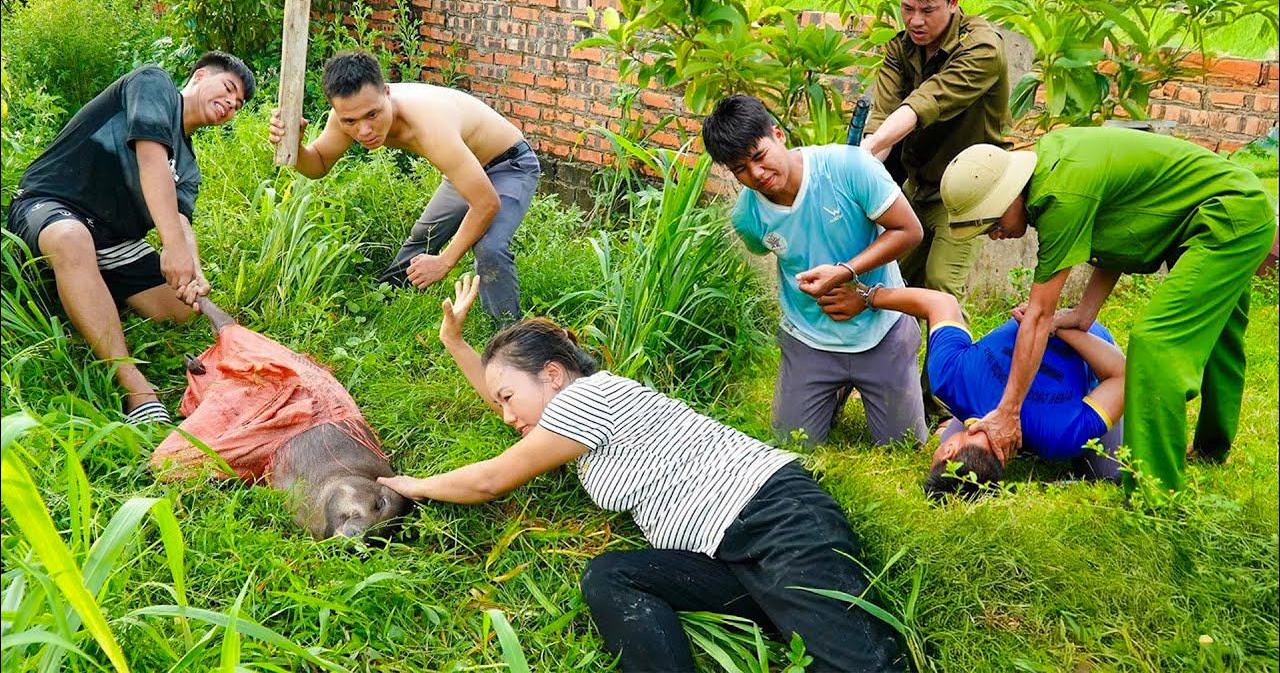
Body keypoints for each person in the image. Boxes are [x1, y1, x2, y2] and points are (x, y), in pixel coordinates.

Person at [377, 274, 906, 673]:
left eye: (511, 398)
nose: (508, 417)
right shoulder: (569, 417)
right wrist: (456, 344)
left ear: (555, 375)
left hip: (774, 519)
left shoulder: (589, 397)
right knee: (611, 576)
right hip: (734, 558)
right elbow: (511, 408)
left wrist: (413, 486)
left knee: (862, 666)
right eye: (501, 404)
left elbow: (492, 479)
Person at [939, 128, 1278, 496]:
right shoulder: (1052, 172)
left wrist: (1008, 411)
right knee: (1222, 339)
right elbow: (1115, 233)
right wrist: (1084, 316)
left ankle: (1155, 494)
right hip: (1229, 206)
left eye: (991, 223)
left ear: (1007, 195)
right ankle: (1212, 450)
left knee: (1156, 345)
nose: (994, 235)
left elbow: (1037, 315)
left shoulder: (1060, 196)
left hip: (1228, 216)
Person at [5, 52, 256, 424]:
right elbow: (151, 158)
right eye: (229, 89)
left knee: (180, 308)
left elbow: (181, 223)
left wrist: (193, 271)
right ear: (201, 75)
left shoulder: (188, 167)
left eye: (237, 105)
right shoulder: (155, 85)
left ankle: (87, 287)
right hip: (53, 206)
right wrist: (170, 247)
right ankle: (136, 389)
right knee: (73, 238)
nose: (230, 105)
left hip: (112, 238)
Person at [700, 94, 927, 448]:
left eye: (759, 157)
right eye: (739, 169)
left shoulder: (849, 167)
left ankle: (868, 377)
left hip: (879, 327)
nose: (756, 174)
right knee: (792, 445)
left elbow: (910, 231)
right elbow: (766, 248)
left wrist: (846, 272)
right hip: (809, 337)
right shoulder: (748, 217)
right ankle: (829, 387)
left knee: (903, 445)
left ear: (778, 135)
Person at [268, 51, 539, 321]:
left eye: (372, 115)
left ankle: (509, 336)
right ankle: (382, 300)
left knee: (489, 247)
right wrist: (295, 146)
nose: (364, 131)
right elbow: (318, 165)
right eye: (350, 121)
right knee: (426, 233)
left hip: (509, 164)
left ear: (387, 93)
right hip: (466, 167)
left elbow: (486, 203)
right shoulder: (345, 117)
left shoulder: (430, 128)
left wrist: (444, 262)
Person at [819, 283, 1126, 497]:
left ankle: (972, 429)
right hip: (1078, 338)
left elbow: (1120, 375)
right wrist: (867, 297)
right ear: (950, 451)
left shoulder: (1062, 437)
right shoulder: (950, 380)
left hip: (1090, 340)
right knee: (1103, 475)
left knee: (1106, 475)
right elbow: (941, 302)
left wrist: (1053, 325)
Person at [859, 0, 1011, 309]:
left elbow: (924, 103)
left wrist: (867, 149)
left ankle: (950, 365)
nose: (915, 20)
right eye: (907, 8)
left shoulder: (982, 47)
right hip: (921, 187)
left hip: (969, 191)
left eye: (928, 10)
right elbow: (882, 121)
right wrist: (859, 171)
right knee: (890, 280)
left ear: (953, 3)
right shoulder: (901, 49)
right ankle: (896, 366)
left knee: (941, 287)